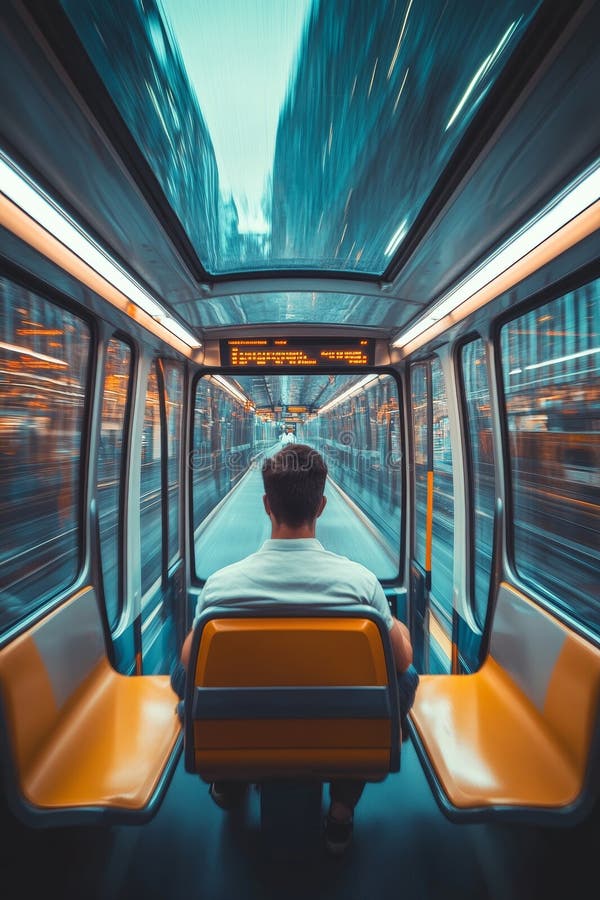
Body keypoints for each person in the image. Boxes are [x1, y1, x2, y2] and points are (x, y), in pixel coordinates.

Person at [172, 444, 419, 855]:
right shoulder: (360, 584)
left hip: (245, 722)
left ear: (267, 505)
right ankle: (340, 810)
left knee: (187, 674)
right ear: (321, 506)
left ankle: (230, 779)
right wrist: (399, 628)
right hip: (339, 726)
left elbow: (186, 661)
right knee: (401, 679)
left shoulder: (221, 586)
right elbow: (404, 660)